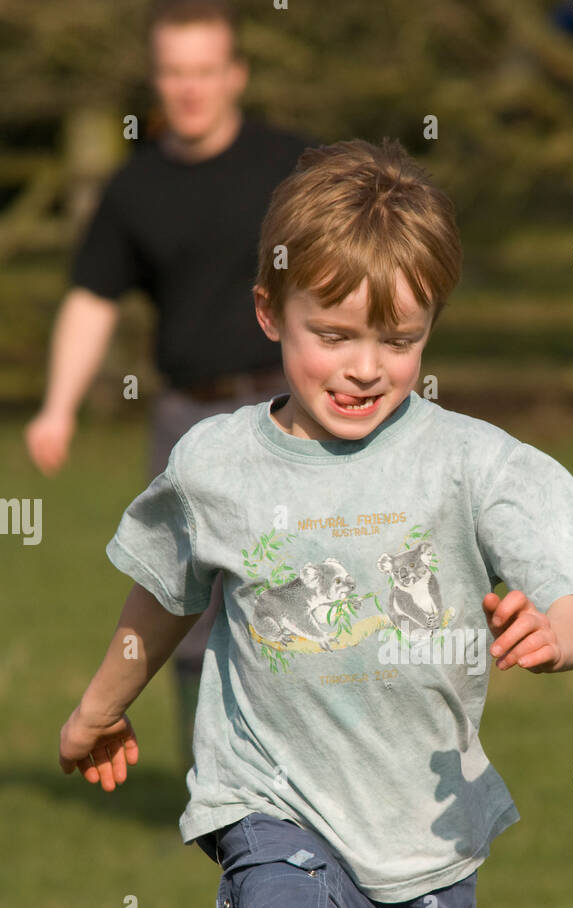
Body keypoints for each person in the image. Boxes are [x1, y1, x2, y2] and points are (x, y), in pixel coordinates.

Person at [57, 136, 573, 908]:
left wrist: (554, 636)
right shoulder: (217, 464)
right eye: (335, 332)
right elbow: (162, 598)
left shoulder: (472, 465)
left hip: (422, 842)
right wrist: (98, 708)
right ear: (269, 312)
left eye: (399, 338)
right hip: (276, 807)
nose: (366, 365)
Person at [26, 0, 314, 765]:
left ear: (235, 75)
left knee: (300, 589)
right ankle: (212, 779)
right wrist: (57, 408)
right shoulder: (136, 189)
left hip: (299, 407)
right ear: (158, 78)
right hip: (189, 418)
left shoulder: (294, 166)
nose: (190, 88)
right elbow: (92, 297)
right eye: (175, 72)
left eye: (205, 71)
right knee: (182, 596)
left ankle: (310, 769)